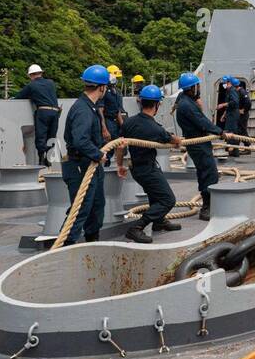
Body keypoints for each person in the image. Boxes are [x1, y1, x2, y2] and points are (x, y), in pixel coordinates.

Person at [121, 85, 183, 243]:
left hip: (135, 168)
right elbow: (174, 140)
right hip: (147, 169)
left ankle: (159, 222)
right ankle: (137, 228)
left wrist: (120, 164)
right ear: (157, 104)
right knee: (168, 200)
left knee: (155, 195)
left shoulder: (128, 123)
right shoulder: (155, 129)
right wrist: (178, 141)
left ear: (141, 102)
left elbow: (120, 145)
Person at [60, 65, 113, 244]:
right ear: (102, 87)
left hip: (90, 164)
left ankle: (92, 241)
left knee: (97, 207)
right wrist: (98, 154)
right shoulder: (83, 110)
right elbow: (80, 140)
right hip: (80, 165)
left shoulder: (90, 107)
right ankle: (64, 246)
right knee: (80, 209)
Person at [175, 72, 224, 219]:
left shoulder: (186, 100)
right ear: (191, 88)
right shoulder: (186, 105)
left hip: (200, 141)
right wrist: (221, 132)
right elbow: (202, 122)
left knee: (207, 172)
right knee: (208, 173)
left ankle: (210, 204)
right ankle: (207, 208)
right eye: (197, 86)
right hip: (197, 143)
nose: (199, 88)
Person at [15, 64, 60, 166]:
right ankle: (49, 159)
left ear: (31, 75)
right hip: (55, 112)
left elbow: (19, 97)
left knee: (41, 136)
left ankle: (41, 159)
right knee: (52, 135)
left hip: (43, 111)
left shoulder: (31, 85)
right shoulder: (51, 83)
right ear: (41, 73)